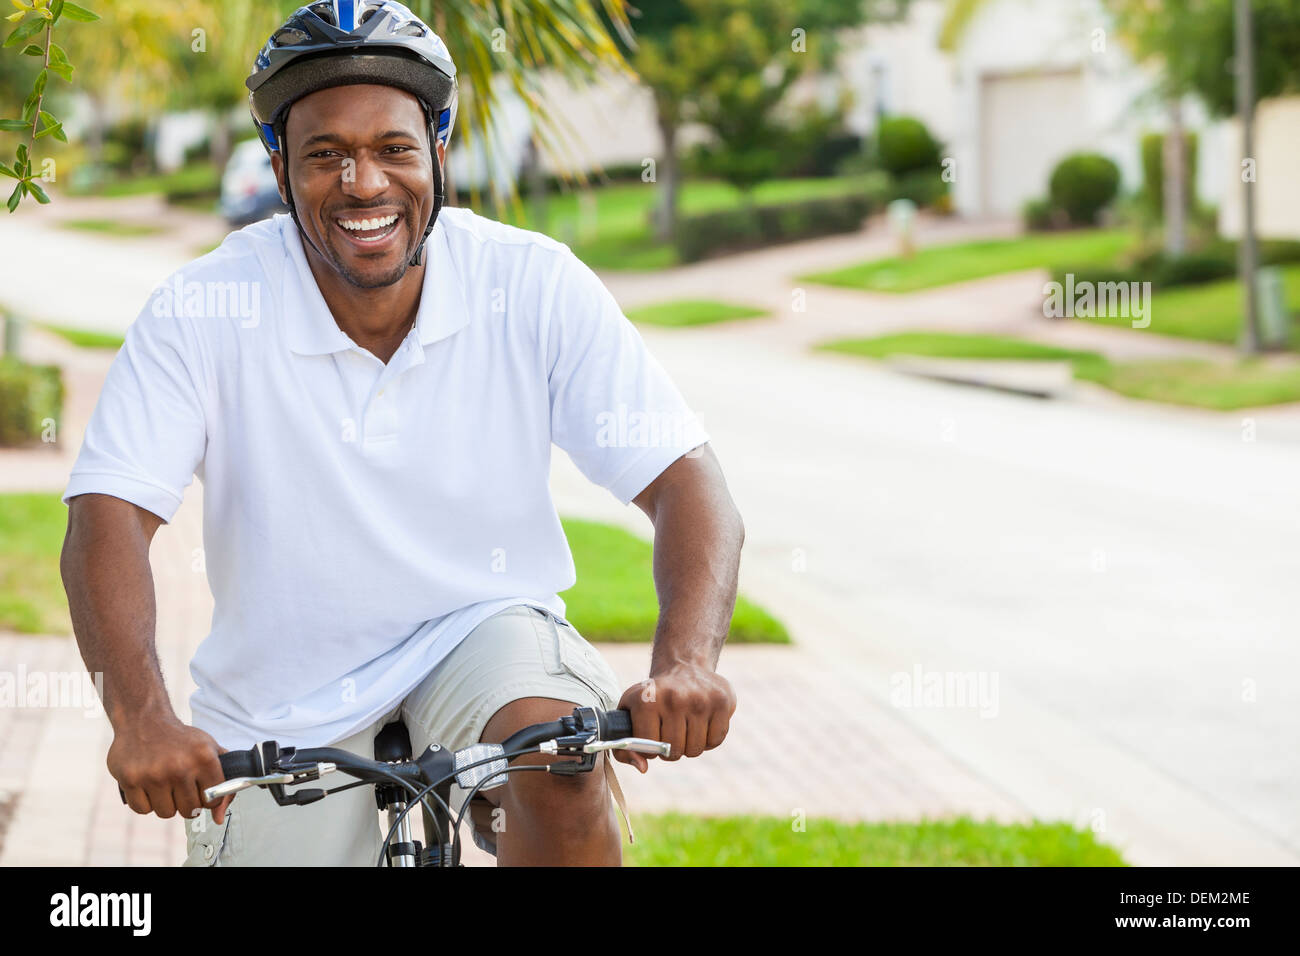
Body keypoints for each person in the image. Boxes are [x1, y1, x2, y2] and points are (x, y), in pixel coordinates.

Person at [59, 0, 743, 867]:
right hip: (284, 698)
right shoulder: (204, 309)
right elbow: (106, 518)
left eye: (393, 148)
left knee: (559, 761)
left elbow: (688, 481)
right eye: (325, 155)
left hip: (481, 633)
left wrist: (687, 662)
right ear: (279, 169)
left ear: (438, 156)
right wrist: (142, 718)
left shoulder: (528, 282)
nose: (364, 183)